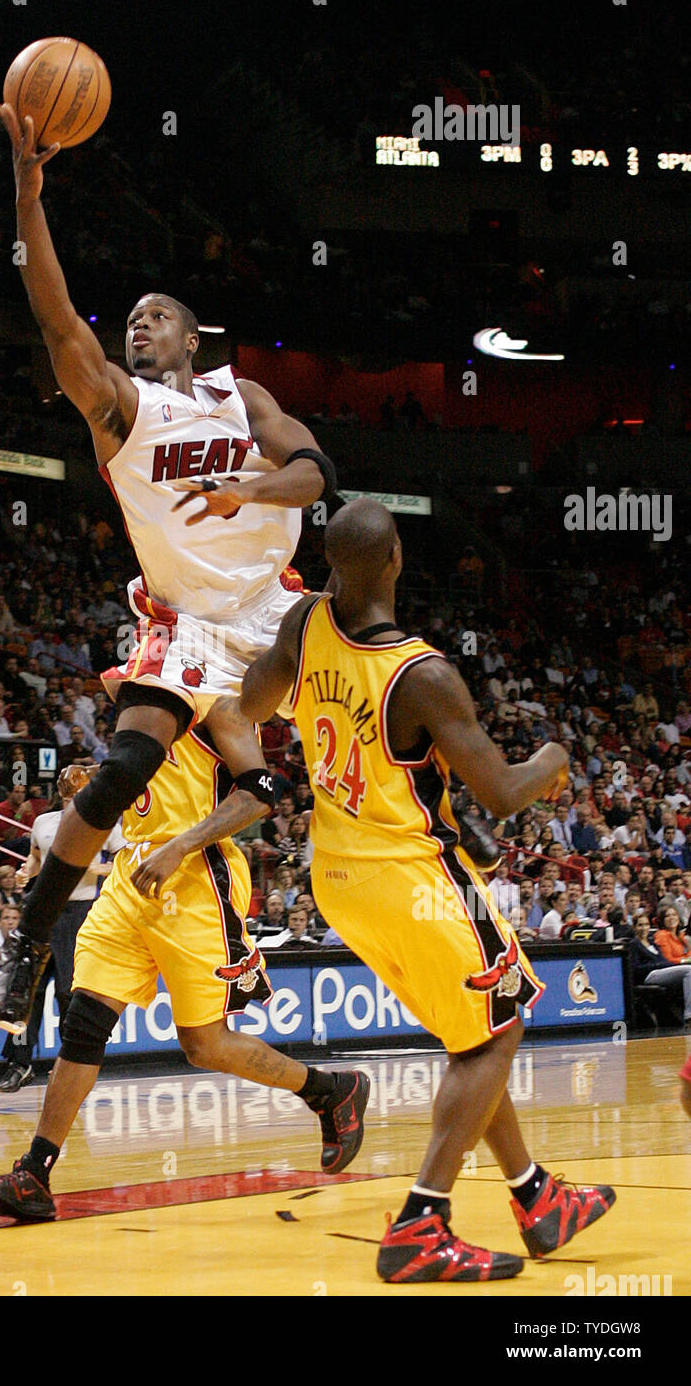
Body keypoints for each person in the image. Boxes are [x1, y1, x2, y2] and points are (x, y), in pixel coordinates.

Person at [0, 106, 337, 1033]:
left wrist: (246, 494)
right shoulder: (117, 408)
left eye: (159, 317)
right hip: (185, 619)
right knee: (123, 766)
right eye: (133, 319)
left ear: (191, 339)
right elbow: (56, 316)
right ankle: (24, 951)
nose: (141, 325)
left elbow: (318, 474)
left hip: (274, 609)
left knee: (374, 712)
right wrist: (29, 194)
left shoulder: (238, 395)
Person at [239, 500, 614, 1283]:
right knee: (498, 1028)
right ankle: (421, 1223)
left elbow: (247, 708)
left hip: (337, 874)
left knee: (470, 1028)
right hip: (415, 875)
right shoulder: (423, 672)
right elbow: (504, 793)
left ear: (337, 564)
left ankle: (536, 1196)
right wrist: (551, 758)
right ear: (398, 557)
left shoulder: (304, 625)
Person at [0, 709, 369, 1222]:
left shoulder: (217, 705)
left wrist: (180, 845)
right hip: (131, 873)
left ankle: (331, 1091)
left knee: (204, 1045)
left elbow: (262, 791)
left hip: (196, 873)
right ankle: (34, 1174)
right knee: (84, 1023)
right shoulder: (138, 697)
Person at [0, 774, 126, 1093]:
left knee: (69, 992)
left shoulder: (104, 820)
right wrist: (26, 872)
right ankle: (20, 1063)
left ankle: (69, 1066)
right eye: (69, 792)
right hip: (42, 909)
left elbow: (128, 860)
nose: (73, 796)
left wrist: (100, 869)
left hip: (79, 913)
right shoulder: (43, 822)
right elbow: (36, 858)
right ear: (61, 794)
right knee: (25, 991)